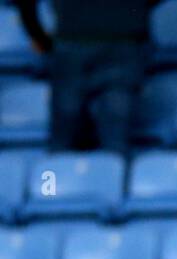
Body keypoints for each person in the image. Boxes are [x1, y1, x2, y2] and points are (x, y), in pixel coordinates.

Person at [16, 0, 155, 155]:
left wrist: (40, 38)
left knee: (65, 132)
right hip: (124, 39)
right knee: (115, 134)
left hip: (75, 40)